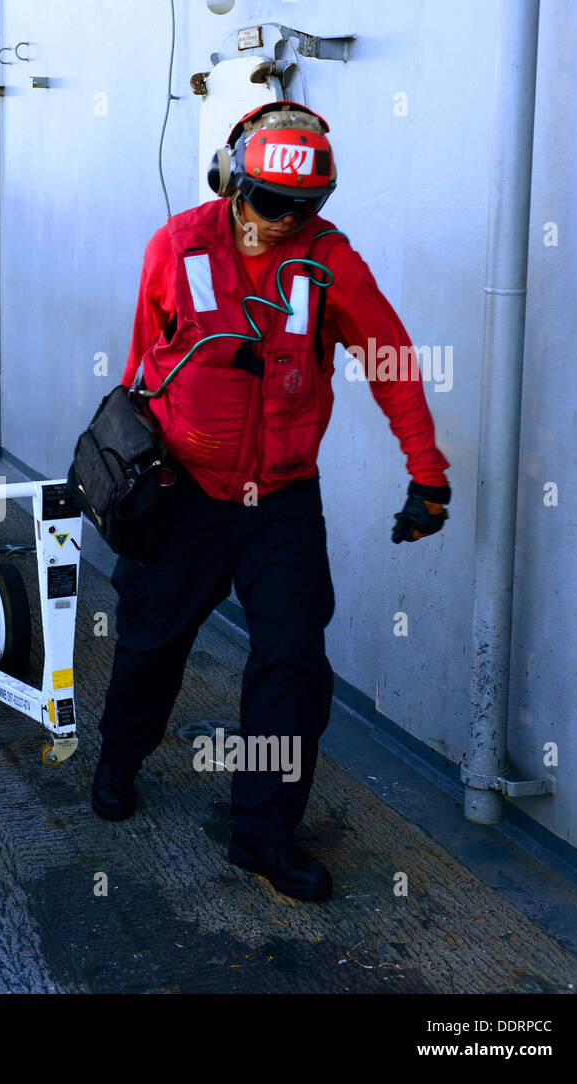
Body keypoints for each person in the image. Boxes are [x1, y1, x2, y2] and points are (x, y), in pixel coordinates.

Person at [92, 102, 452, 902]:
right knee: (151, 645)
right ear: (231, 181)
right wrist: (132, 463)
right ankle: (120, 758)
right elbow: (141, 361)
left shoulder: (331, 265)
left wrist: (427, 473)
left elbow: (391, 362)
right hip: (183, 492)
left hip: (281, 501)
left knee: (290, 666)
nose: (283, 223)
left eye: (303, 208)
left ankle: (263, 833)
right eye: (268, 203)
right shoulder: (176, 244)